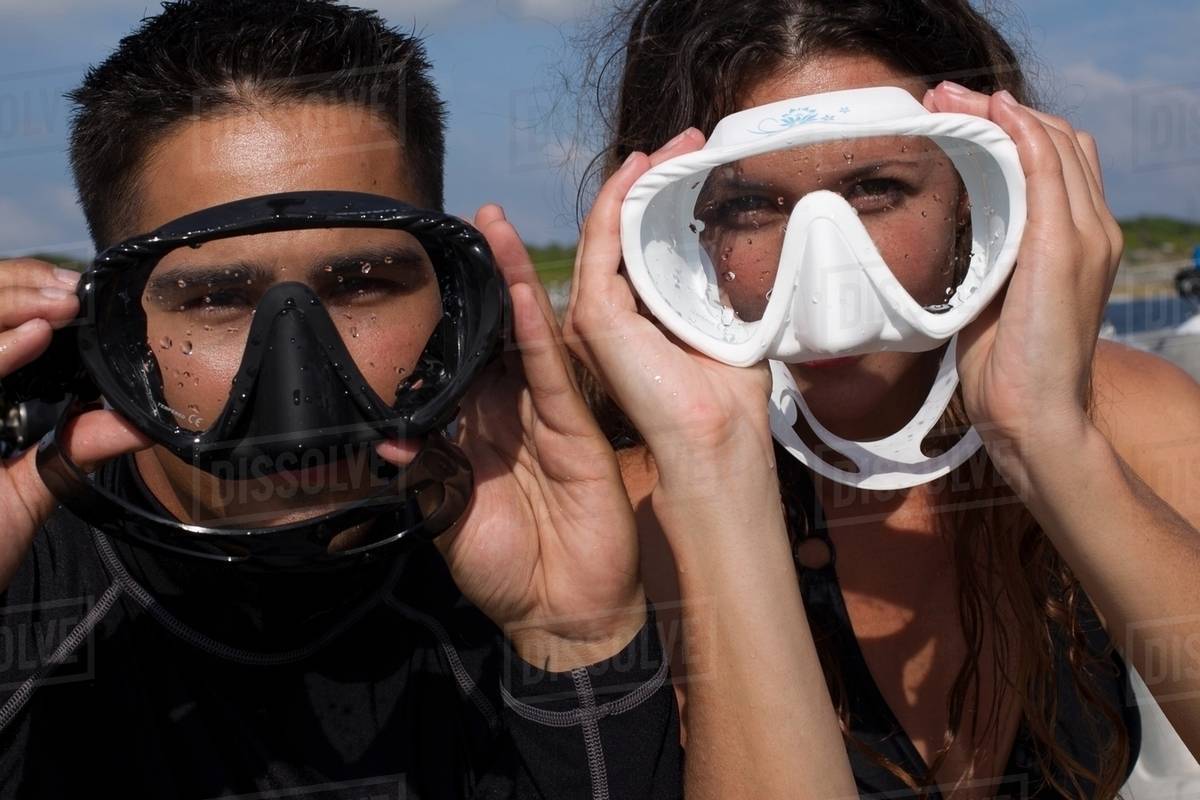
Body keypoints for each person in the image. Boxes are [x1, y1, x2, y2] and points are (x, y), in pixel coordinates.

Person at [0, 2, 685, 797]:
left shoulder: (520, 580)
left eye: (362, 284)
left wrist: (577, 644)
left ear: (455, 306)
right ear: (108, 329)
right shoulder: (28, 598)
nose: (298, 389)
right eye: (217, 299)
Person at [565, 1, 1200, 798]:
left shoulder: (1136, 424)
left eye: (875, 188)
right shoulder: (633, 527)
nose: (829, 282)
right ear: (672, 230)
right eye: (749, 206)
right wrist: (716, 470)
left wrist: (1047, 439)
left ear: (980, 191)